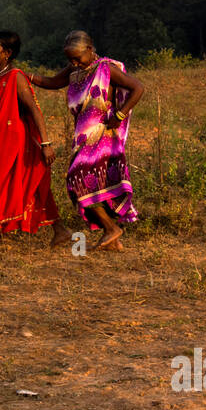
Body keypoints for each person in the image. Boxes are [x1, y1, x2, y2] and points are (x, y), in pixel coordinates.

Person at [29, 30, 146, 251]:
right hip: (83, 139)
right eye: (69, 59)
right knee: (96, 184)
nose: (73, 63)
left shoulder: (106, 69)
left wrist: (119, 115)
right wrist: (28, 77)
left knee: (77, 182)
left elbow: (138, 88)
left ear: (90, 50)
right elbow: (53, 82)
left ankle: (112, 228)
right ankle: (113, 238)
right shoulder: (75, 69)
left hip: (103, 136)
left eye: (77, 58)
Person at [0, 31, 64, 251]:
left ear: (7, 53)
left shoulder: (15, 76)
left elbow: (34, 109)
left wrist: (46, 144)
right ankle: (61, 231)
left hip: (12, 140)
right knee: (31, 185)